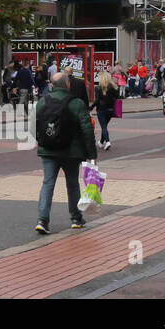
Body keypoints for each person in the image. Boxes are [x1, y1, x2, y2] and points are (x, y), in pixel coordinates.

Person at [34, 72, 96, 234]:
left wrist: (42, 141)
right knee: (73, 183)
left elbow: (34, 126)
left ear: (52, 85)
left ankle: (42, 220)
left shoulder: (42, 102)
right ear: (68, 84)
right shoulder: (76, 103)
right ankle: (76, 218)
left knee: (47, 184)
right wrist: (91, 154)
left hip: (48, 150)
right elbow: (87, 129)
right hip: (71, 151)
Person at [91, 70, 119, 151]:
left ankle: (107, 141)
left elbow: (97, 100)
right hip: (111, 109)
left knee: (103, 126)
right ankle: (101, 142)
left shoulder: (98, 88)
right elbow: (117, 98)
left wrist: (91, 107)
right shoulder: (114, 87)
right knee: (104, 126)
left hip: (101, 109)